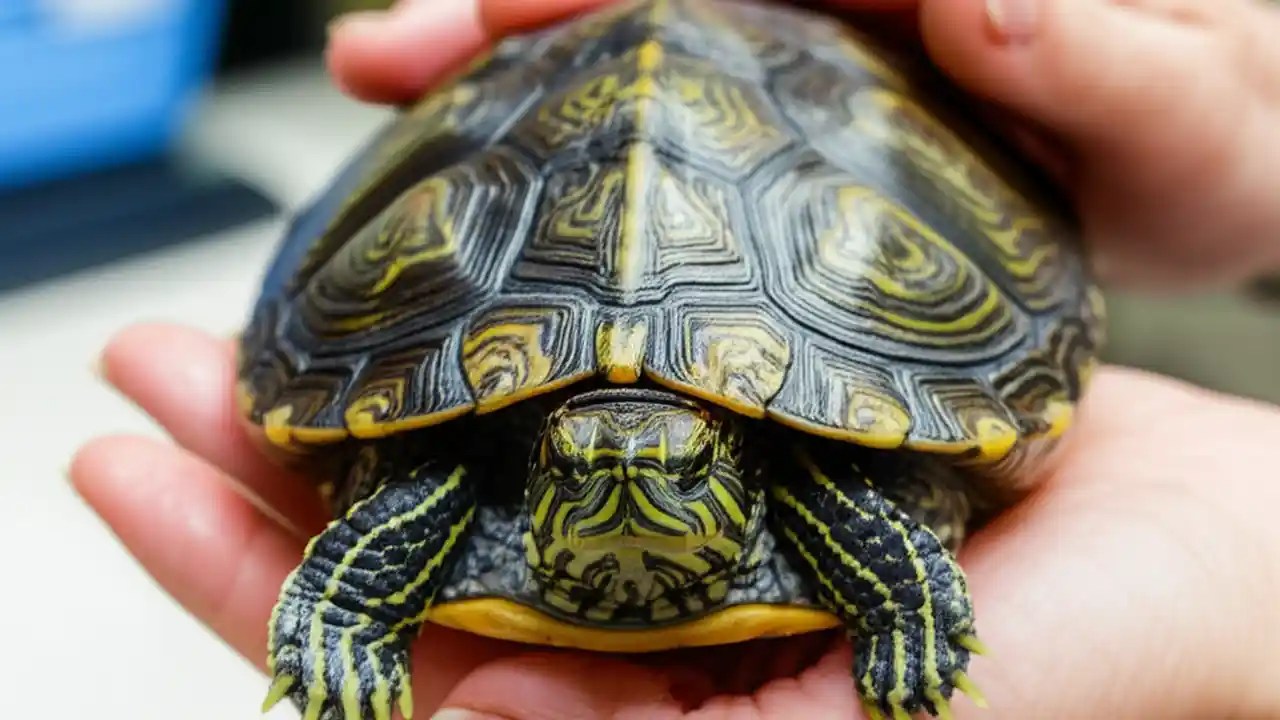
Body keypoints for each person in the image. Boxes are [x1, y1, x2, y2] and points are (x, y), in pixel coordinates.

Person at [70, 0, 1280, 717]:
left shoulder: (818, 479)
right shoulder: (457, 477)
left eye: (676, 462)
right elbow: (396, 473)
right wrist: (348, 611)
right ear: (536, 461)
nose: (629, 474)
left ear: (730, 462)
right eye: (578, 463)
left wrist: (906, 600)